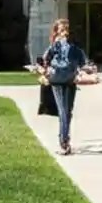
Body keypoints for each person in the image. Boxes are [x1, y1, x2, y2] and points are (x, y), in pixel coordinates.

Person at [42, 18, 87, 155]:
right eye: (62, 30)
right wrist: (47, 70)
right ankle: (64, 141)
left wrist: (82, 71)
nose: (65, 32)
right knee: (63, 111)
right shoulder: (55, 46)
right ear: (57, 32)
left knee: (67, 111)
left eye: (67, 29)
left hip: (70, 80)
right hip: (57, 81)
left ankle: (65, 139)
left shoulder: (75, 47)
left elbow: (82, 61)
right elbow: (45, 59)